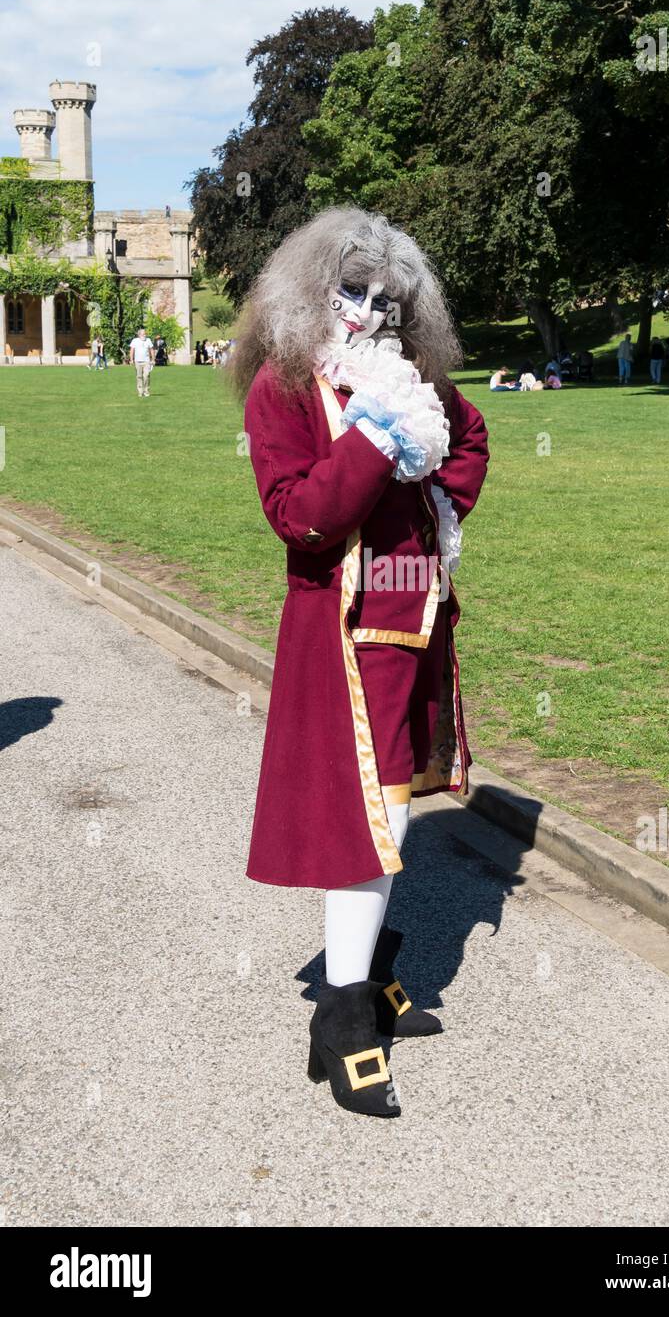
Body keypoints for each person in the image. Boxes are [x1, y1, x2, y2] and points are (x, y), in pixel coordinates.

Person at [230, 206, 488, 1119]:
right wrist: (376, 442)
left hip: (414, 619)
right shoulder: (285, 389)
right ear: (310, 290)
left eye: (387, 298)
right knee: (367, 820)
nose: (371, 313)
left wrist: (437, 506)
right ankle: (340, 1025)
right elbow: (302, 518)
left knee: (396, 812)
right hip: (337, 634)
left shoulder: (413, 380)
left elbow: (472, 437)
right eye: (353, 292)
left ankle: (369, 970)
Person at [129, 326, 154, 397]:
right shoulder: (135, 340)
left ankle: (146, 391)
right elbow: (132, 350)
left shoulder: (148, 340)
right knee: (139, 376)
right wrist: (131, 360)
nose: (145, 335)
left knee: (146, 376)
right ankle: (140, 391)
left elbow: (151, 350)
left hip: (147, 361)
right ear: (139, 335)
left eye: (145, 334)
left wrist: (153, 359)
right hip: (137, 361)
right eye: (143, 334)